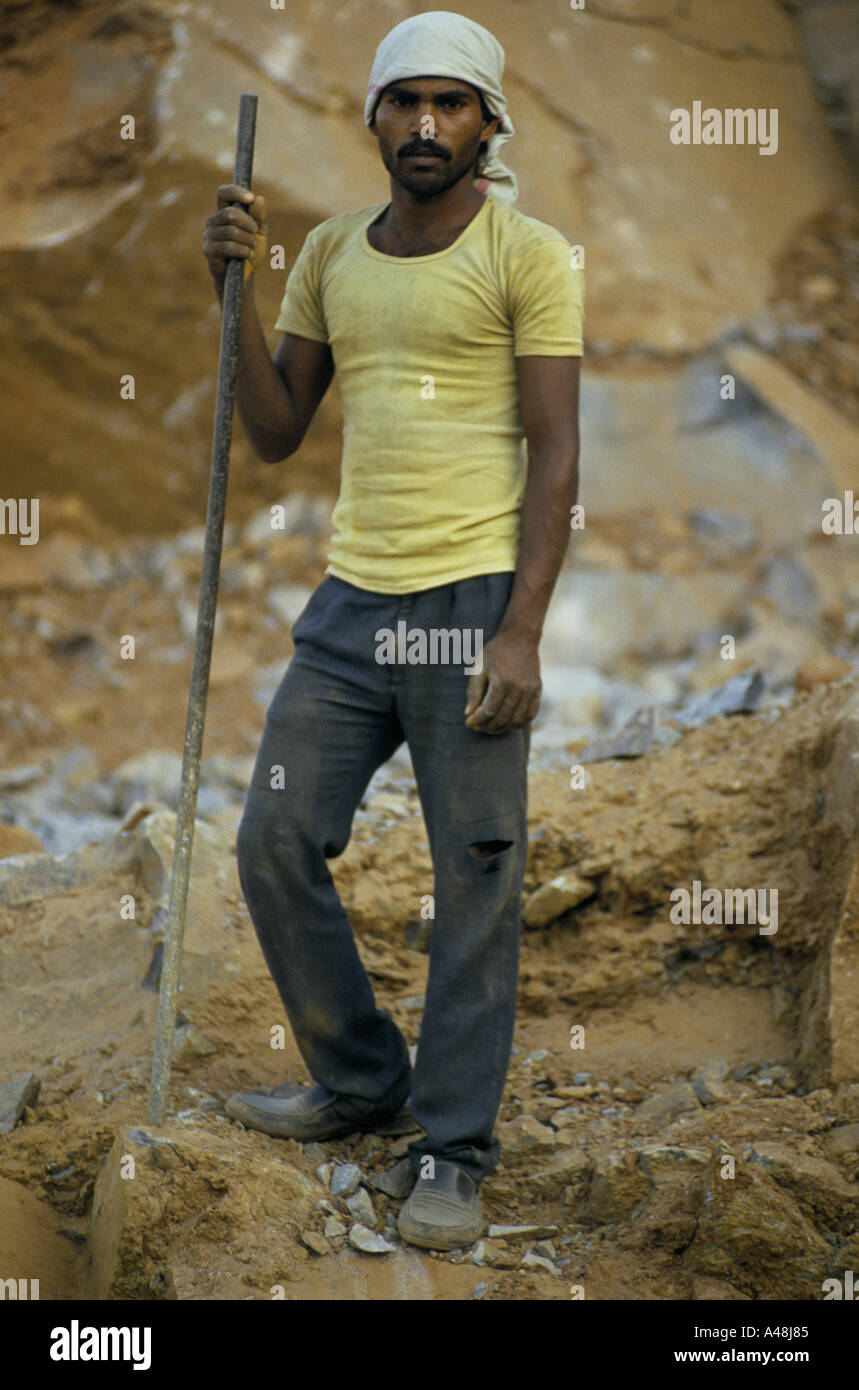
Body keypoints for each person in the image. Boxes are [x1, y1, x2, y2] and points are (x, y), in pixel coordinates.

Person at [202, 10, 583, 1252]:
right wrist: (235, 298)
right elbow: (271, 429)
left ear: (488, 122)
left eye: (451, 104)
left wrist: (521, 631)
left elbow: (557, 451)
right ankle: (361, 1076)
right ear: (372, 116)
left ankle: (454, 1150)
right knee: (272, 832)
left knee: (474, 878)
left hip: (472, 602)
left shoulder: (529, 255)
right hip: (351, 607)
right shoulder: (328, 254)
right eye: (403, 101)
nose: (426, 123)